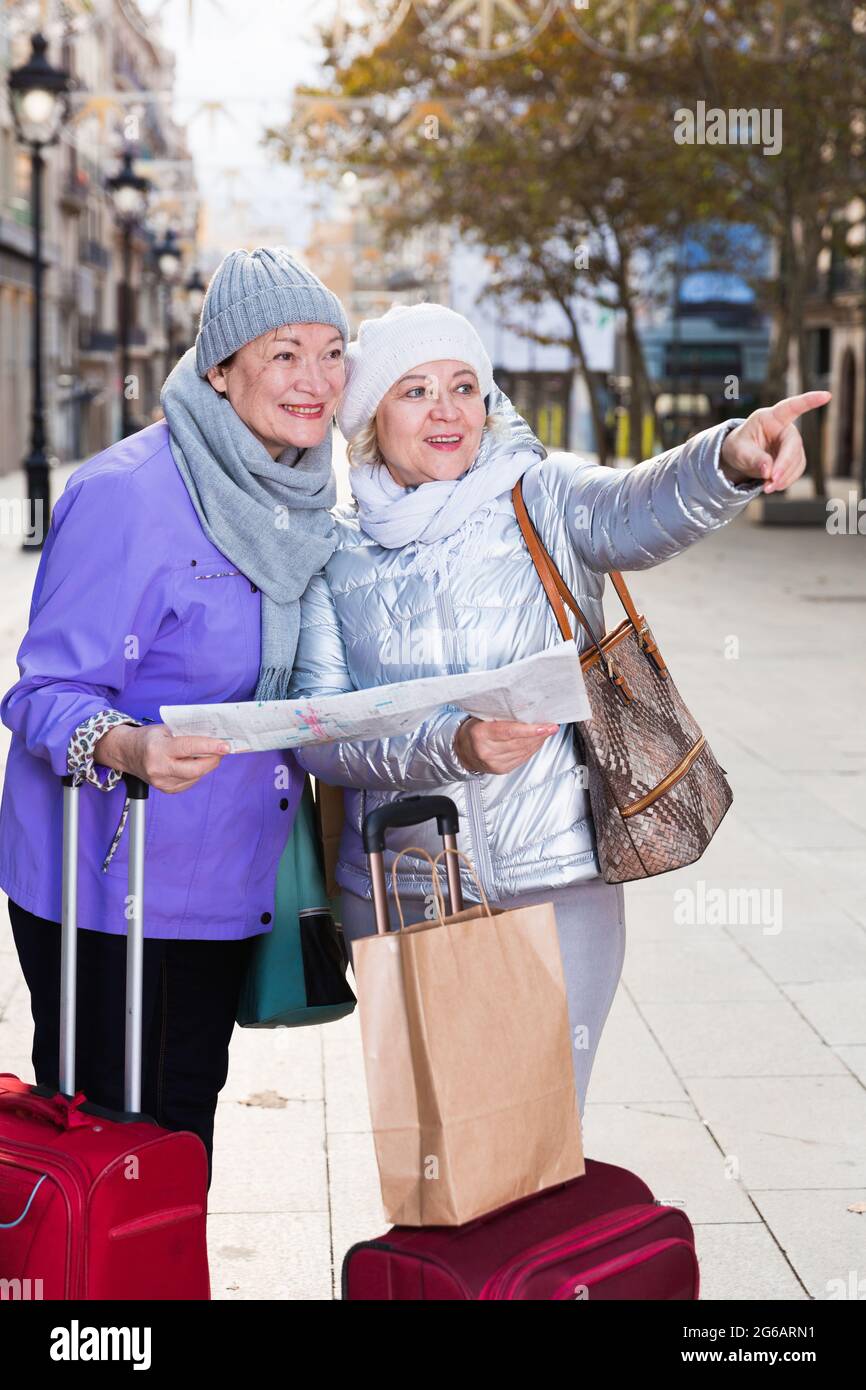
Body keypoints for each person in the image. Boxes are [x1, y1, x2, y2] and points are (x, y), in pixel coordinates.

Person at [288, 301, 829, 1118]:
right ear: (368, 419)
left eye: (465, 386)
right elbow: (322, 734)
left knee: (540, 1132)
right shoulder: (335, 553)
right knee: (441, 1142)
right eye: (417, 390)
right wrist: (454, 745)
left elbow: (636, 504)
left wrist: (729, 455)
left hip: (558, 879)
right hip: (407, 891)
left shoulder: (540, 492)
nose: (447, 409)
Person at [0, 247, 348, 1187]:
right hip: (113, 888)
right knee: (109, 1154)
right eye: (283, 354)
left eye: (331, 352)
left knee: (179, 1138)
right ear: (218, 369)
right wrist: (126, 744)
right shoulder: (128, 493)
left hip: (227, 880)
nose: (314, 380)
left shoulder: (304, 500)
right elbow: (40, 695)